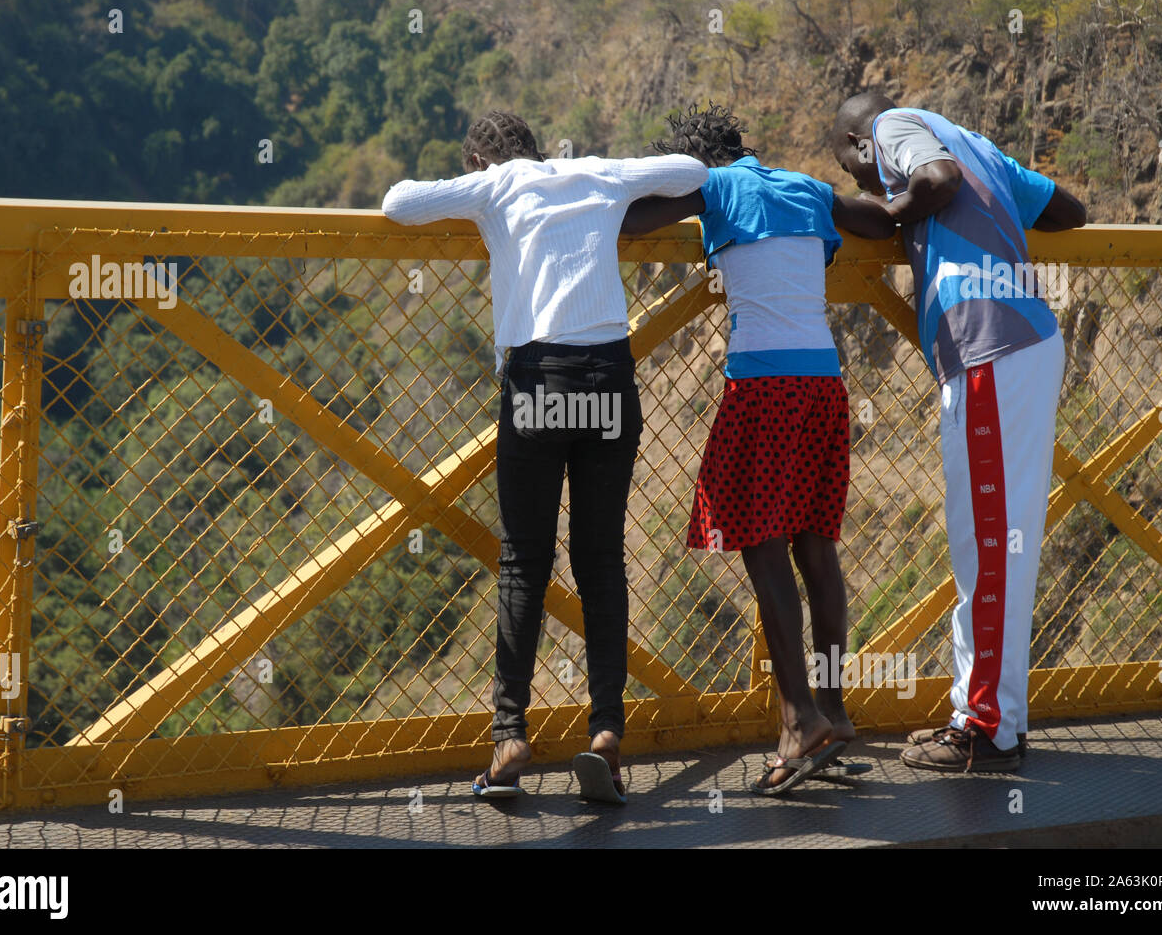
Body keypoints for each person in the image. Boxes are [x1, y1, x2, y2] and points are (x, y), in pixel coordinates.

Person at [382, 111, 708, 802]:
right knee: (603, 558)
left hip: (540, 386)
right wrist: (616, 183)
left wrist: (482, 189)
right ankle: (607, 733)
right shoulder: (595, 172)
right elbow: (694, 172)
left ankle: (508, 739)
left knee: (526, 561)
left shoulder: (495, 185)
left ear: (478, 160)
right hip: (610, 383)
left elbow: (398, 203)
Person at [622, 102, 894, 794]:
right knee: (814, 546)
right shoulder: (805, 188)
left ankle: (798, 719)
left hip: (762, 387)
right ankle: (832, 708)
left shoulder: (709, 188)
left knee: (762, 546)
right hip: (824, 384)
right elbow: (879, 219)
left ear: (692, 162)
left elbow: (626, 221)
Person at [829, 92, 1087, 772]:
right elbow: (1069, 212)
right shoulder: (977, 140)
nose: (871, 181)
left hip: (989, 351)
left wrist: (891, 211)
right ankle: (993, 716)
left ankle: (986, 728)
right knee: (994, 543)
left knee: (991, 547)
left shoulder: (892, 129)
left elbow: (934, 181)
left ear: (859, 144)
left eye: (862, 173)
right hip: (1021, 341)